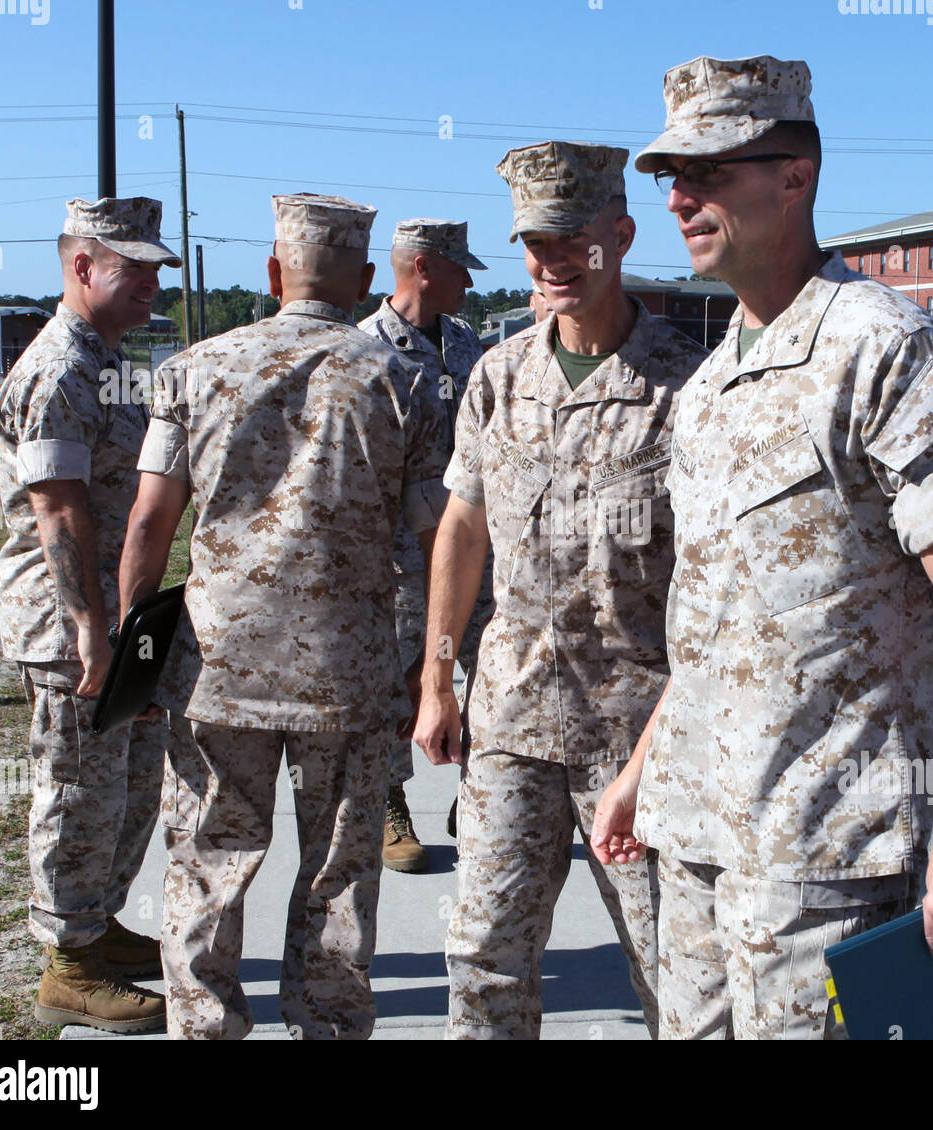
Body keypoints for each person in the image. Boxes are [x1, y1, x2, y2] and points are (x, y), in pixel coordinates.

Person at [591, 55, 933, 1039]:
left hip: (830, 853)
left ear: (795, 175)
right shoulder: (702, 390)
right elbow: (709, 622)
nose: (678, 198)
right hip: (695, 832)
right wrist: (639, 774)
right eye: (671, 177)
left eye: (708, 171)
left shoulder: (882, 345)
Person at [118, 193, 448, 1039]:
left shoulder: (191, 371)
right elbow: (434, 533)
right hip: (350, 670)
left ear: (272, 272)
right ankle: (330, 1025)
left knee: (207, 865)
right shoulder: (405, 380)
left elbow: (152, 521)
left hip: (217, 668)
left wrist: (134, 651)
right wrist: (436, 656)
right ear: (366, 279)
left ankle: (205, 1025)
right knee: (339, 870)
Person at [413, 141, 708, 1039]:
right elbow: (462, 530)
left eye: (572, 239)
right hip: (511, 715)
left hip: (640, 731)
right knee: (485, 954)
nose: (552, 262)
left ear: (619, 233)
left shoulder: (688, 382)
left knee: (676, 965)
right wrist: (435, 679)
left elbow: (714, 571)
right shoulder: (498, 377)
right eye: (534, 244)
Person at [0, 196, 180, 1034]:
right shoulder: (59, 368)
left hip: (117, 616)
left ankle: (97, 926)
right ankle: (68, 963)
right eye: (131, 268)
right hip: (75, 627)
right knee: (77, 790)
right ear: (80, 267)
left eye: (154, 268)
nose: (150, 282)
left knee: (130, 783)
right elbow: (59, 509)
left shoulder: (109, 359)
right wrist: (87, 632)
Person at [358, 219, 493, 873]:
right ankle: (391, 805)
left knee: (494, 674)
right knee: (400, 684)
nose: (470, 280)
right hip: (401, 561)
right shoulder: (363, 350)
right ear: (422, 268)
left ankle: (479, 801)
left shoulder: (468, 344)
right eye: (459, 267)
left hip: (476, 551)